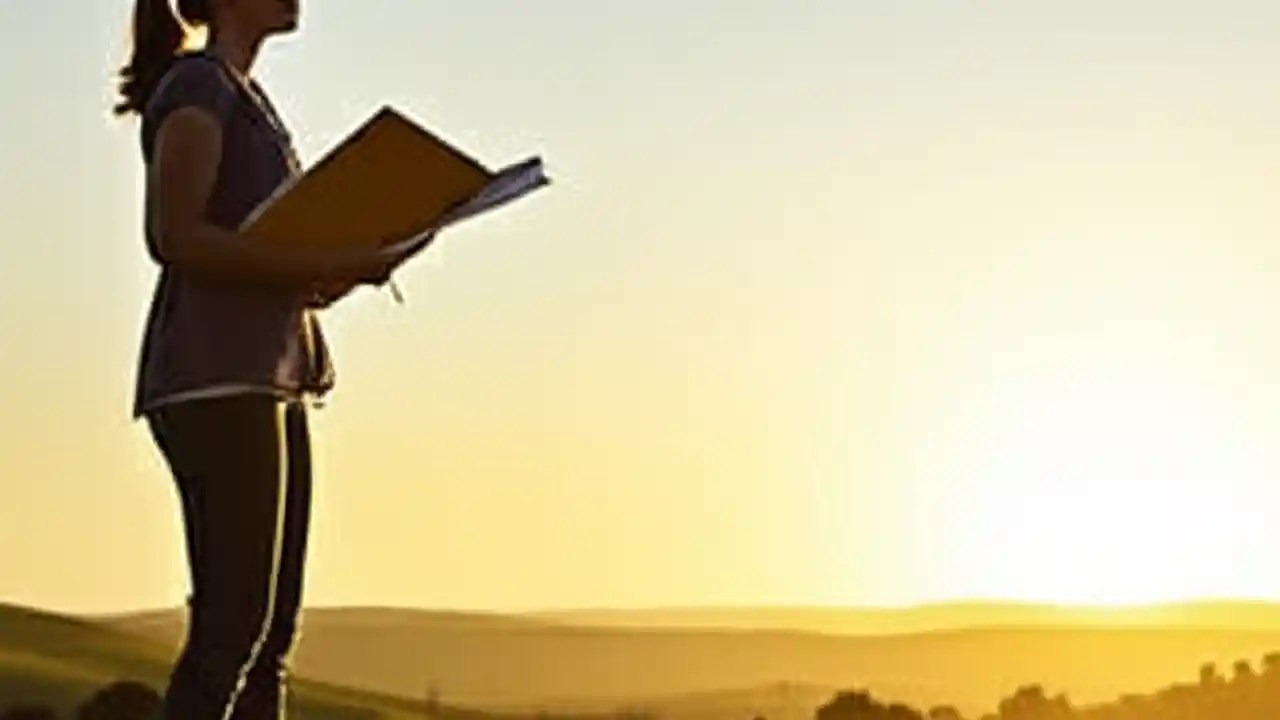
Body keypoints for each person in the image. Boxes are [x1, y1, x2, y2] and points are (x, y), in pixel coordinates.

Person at [112, 0, 398, 717]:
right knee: (231, 628)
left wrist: (335, 270)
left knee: (269, 638)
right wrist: (325, 258)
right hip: (216, 381)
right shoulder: (199, 85)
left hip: (272, 378)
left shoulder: (245, 97)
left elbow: (258, 254)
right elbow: (174, 233)